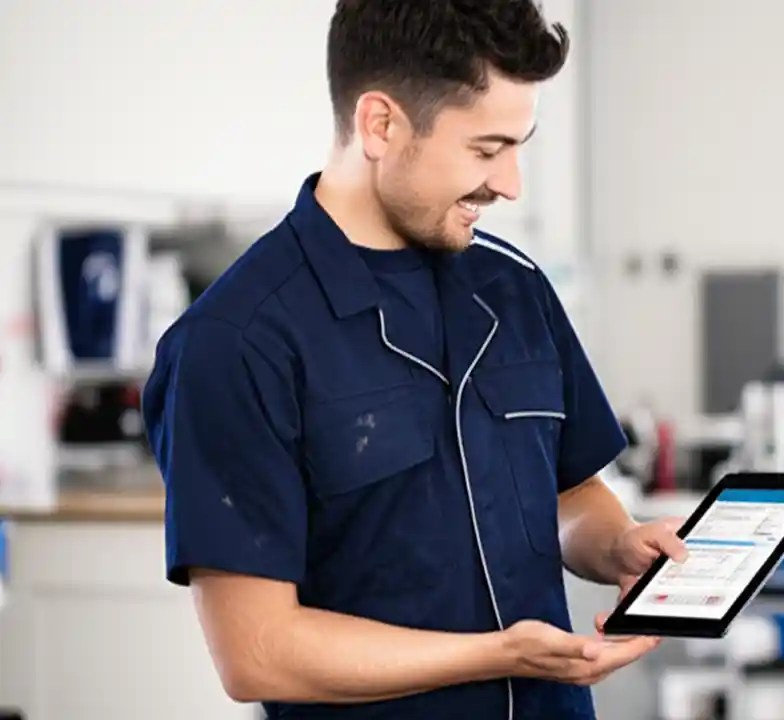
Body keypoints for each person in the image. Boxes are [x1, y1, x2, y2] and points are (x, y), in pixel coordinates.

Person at [141, 2, 685, 718]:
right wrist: (498, 654)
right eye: (486, 151)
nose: (512, 184)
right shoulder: (236, 343)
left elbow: (565, 495)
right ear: (380, 124)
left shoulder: (515, 291)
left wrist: (615, 545)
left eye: (520, 147)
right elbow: (257, 652)